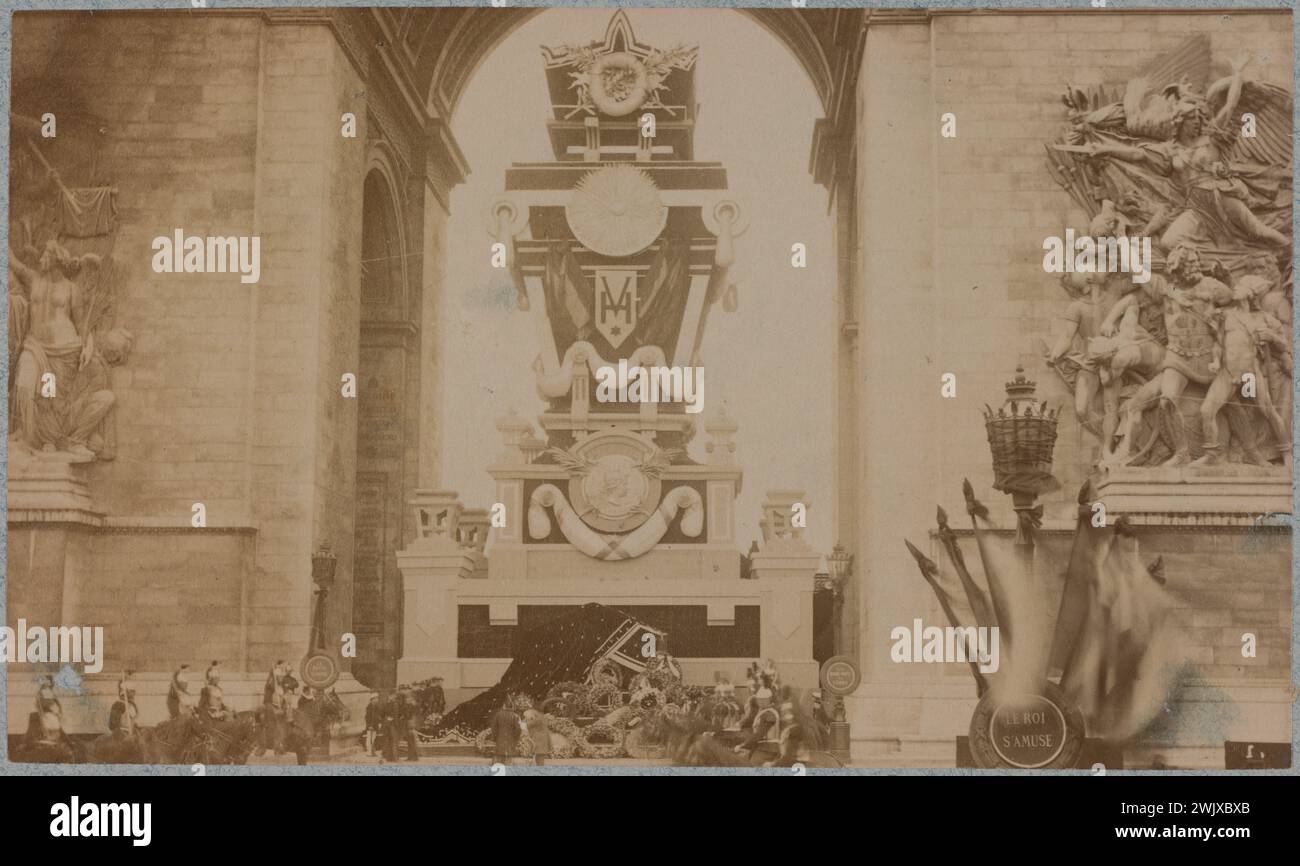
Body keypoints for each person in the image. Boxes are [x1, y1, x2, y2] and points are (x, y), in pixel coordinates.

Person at [489, 697, 521, 765]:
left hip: (500, 739)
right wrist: (515, 738)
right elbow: (518, 729)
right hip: (510, 740)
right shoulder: (515, 716)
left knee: (499, 758)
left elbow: (494, 727)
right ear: (512, 707)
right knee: (508, 759)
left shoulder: (498, 715)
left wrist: (495, 737)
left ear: (504, 706)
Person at [394, 686, 420, 761]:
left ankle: (413, 757)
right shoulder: (409, 705)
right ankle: (412, 757)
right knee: (411, 741)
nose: (407, 699)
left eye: (408, 698)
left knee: (411, 740)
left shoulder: (410, 705)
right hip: (410, 723)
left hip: (409, 724)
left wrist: (402, 717)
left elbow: (408, 715)